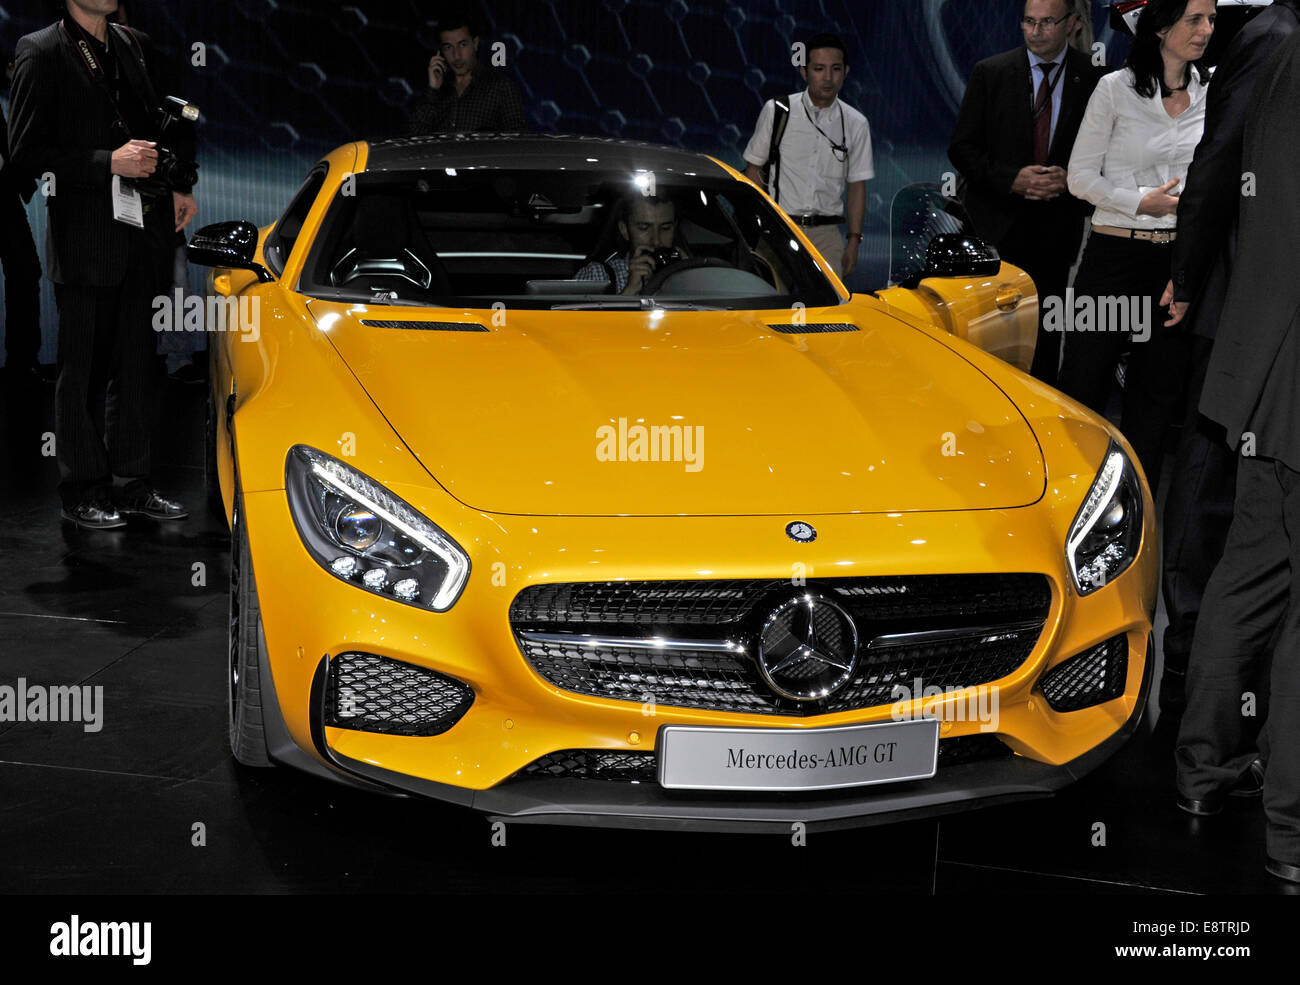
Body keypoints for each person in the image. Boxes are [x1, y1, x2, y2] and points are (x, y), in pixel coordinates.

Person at [1175, 27, 1300, 885]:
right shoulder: (1286, 49)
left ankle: (1202, 778)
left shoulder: (1281, 53)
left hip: (1269, 378)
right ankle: (1291, 830)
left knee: (1251, 577)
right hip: (1283, 383)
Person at [1155, 0, 1300, 715]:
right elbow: (1219, 162)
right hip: (1242, 310)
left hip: (1262, 313)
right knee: (1212, 487)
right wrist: (1187, 273)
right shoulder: (1280, 40)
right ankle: (1185, 657)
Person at [7, 0, 198, 528]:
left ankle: (131, 483)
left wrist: (182, 183)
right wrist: (105, 162)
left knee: (138, 364)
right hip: (86, 235)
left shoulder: (134, 45)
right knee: (82, 370)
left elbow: (169, 121)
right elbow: (24, 152)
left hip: (144, 231)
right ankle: (82, 489)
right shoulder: (40, 51)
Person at [1058, 0, 1215, 492]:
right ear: (1162, 27)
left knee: (1156, 397)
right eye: (1194, 19)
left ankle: (1137, 513)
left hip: (1175, 262)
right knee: (1084, 386)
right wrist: (1137, 203)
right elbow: (1079, 177)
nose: (1206, 30)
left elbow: (1213, 179)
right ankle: (1069, 495)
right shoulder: (1114, 89)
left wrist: (1188, 259)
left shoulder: (1213, 91)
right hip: (1113, 259)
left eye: (1211, 19)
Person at [948, 0, 1107, 386]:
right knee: (987, 341)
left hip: (1056, 235)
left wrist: (1071, 180)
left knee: (1044, 344)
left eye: (1046, 22)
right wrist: (1012, 179)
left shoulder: (1097, 80)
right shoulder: (992, 72)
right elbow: (962, 149)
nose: (1035, 31)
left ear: (1071, 23)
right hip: (994, 232)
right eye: (1028, 22)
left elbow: (1108, 157)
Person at [742, 31, 874, 280]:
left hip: (826, 234)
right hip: (778, 228)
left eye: (835, 69)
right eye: (819, 69)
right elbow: (753, 170)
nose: (827, 78)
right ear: (804, 72)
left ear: (846, 71)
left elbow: (857, 185)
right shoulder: (778, 111)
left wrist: (854, 241)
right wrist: (758, 225)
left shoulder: (856, 123)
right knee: (766, 303)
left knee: (827, 311)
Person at [1, 55, 47, 385]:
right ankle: (22, 363)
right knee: (24, 270)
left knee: (25, 270)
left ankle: (22, 363)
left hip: (4, 197)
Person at [407, 8, 525, 135]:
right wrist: (433, 89)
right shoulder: (435, 91)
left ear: (475, 43)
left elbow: (516, 142)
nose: (456, 55)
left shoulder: (501, 87)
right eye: (448, 47)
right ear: (440, 51)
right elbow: (414, 135)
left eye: (462, 45)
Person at [572, 195, 687, 295]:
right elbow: (573, 320)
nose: (656, 241)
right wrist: (630, 291)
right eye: (644, 228)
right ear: (624, 230)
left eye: (665, 228)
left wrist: (689, 278)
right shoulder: (598, 275)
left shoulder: (688, 275)